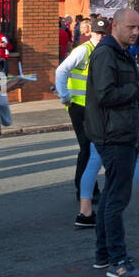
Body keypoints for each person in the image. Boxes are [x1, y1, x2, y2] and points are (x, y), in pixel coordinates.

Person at [86, 8, 139, 277]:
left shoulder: (121, 52)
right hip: (114, 135)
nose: (136, 32)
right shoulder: (106, 54)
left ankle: (103, 254)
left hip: (122, 132)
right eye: (131, 27)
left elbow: (127, 93)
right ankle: (118, 261)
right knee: (116, 200)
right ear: (115, 25)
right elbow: (106, 95)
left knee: (111, 196)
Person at [55, 15, 105, 223]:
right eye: (98, 33)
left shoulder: (102, 50)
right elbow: (61, 70)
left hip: (92, 107)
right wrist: (64, 96)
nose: (101, 36)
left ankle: (90, 188)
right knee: (87, 147)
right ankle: (83, 190)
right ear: (91, 32)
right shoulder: (83, 50)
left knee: (92, 148)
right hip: (79, 106)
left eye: (104, 33)